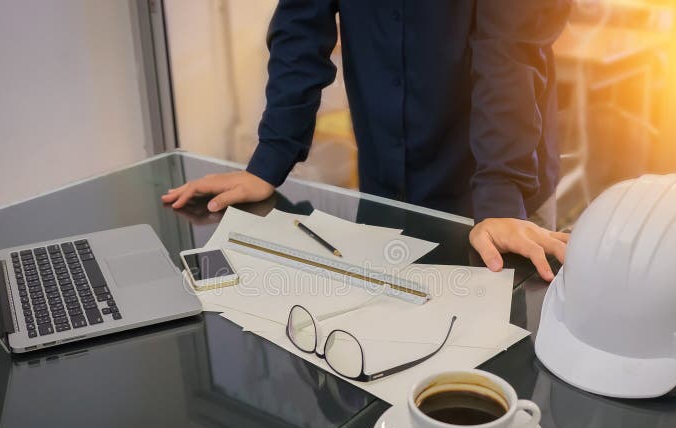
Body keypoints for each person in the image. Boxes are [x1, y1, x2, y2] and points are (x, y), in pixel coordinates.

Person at [162, 1, 572, 281]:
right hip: (386, 191)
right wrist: (269, 160)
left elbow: (510, 55)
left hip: (502, 193)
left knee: (499, 371)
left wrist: (501, 198)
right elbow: (301, 29)